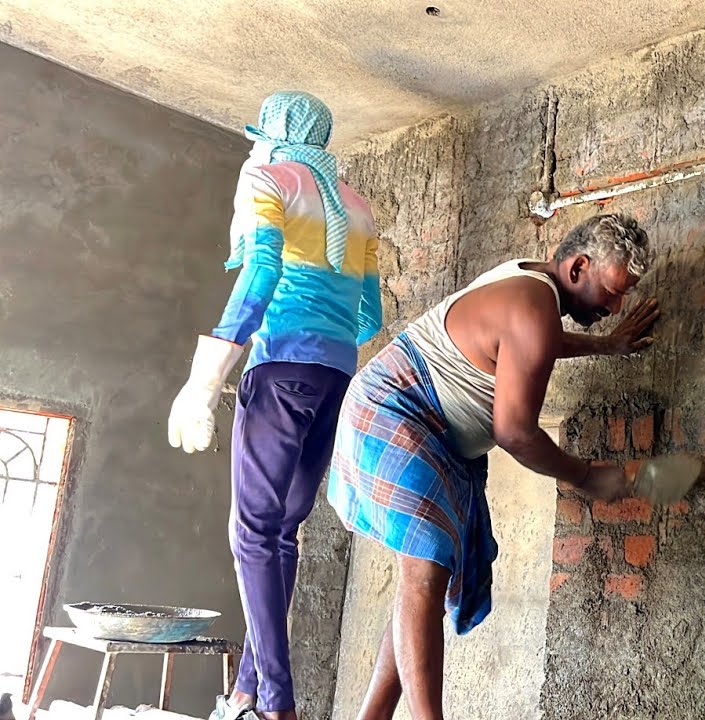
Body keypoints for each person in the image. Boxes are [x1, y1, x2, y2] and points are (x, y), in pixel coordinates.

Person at [327, 213, 659, 720]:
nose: (616, 307)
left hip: (429, 433)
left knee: (424, 579)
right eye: (613, 292)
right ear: (577, 268)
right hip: (398, 410)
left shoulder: (532, 285)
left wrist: (606, 344)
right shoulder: (534, 308)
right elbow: (515, 433)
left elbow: (536, 343)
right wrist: (586, 475)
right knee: (425, 568)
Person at [166, 91, 383, 720]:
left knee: (253, 533)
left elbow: (259, 274)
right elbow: (368, 317)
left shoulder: (267, 180)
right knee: (282, 533)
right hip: (335, 375)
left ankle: (276, 704)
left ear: (273, 135)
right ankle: (247, 691)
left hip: (281, 366)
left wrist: (205, 380)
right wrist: (324, 335)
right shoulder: (359, 207)